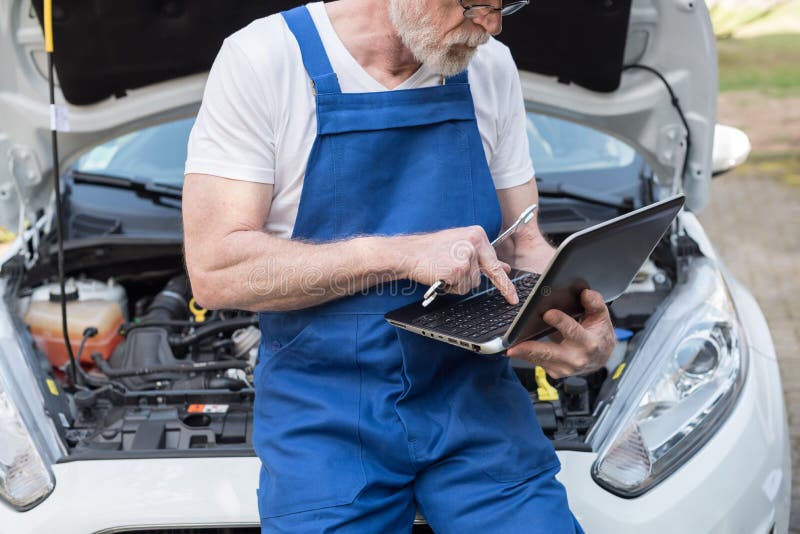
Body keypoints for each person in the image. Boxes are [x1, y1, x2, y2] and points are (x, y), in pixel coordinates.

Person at [183, 0, 616, 532]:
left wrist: (575, 313)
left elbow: (523, 245)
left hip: (474, 403)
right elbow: (216, 271)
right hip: (324, 416)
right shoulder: (263, 60)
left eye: (507, 5)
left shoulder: (488, 66)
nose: (493, 24)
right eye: (477, 3)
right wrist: (399, 255)